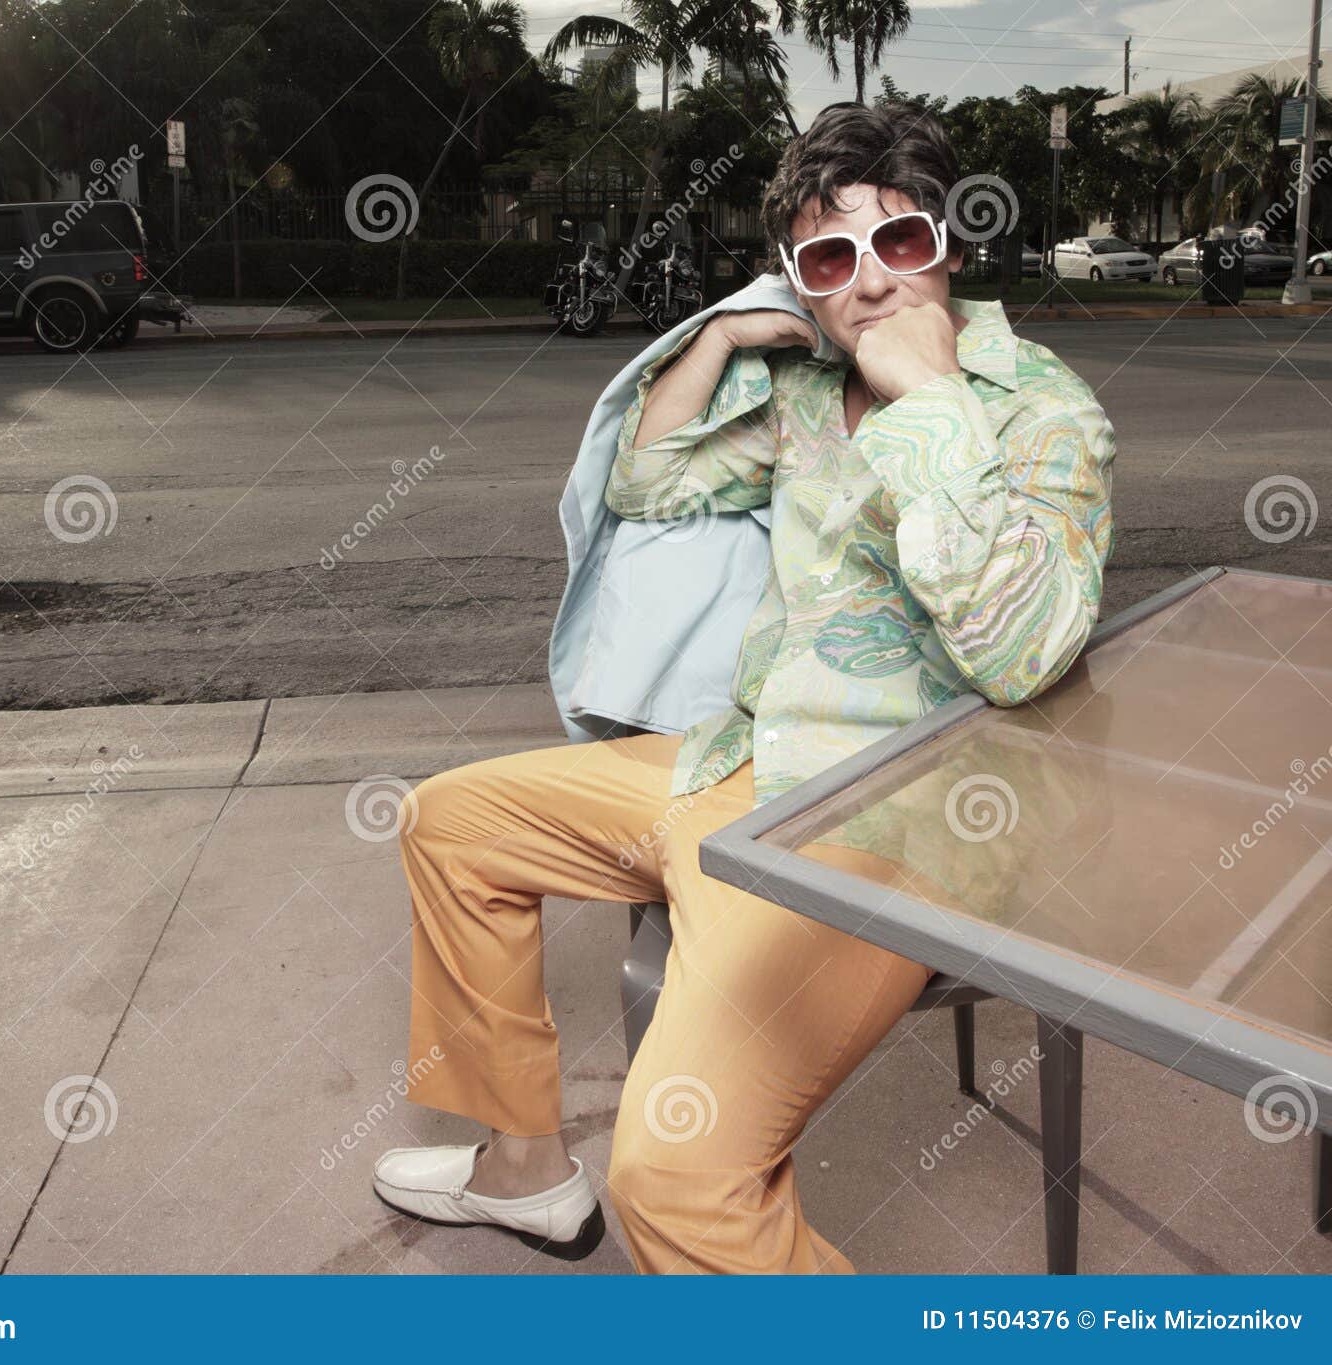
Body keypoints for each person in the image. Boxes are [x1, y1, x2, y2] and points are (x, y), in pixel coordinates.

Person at [371, 101, 1116, 1274]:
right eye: (832, 258)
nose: (869, 285)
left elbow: (1021, 651)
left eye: (900, 243)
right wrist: (719, 345)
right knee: (447, 823)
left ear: (954, 250)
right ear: (802, 284)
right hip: (738, 767)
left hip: (885, 825)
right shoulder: (805, 402)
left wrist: (932, 407)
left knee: (674, 1182)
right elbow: (648, 480)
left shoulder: (1044, 413)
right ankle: (524, 1170)